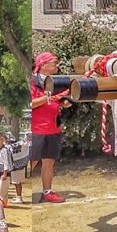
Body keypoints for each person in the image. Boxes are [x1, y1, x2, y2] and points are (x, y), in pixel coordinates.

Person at [31, 52, 70, 204]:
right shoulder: (32, 81)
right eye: (53, 63)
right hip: (37, 129)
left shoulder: (55, 81)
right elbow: (32, 103)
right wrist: (50, 98)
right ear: (43, 65)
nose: (57, 66)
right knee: (32, 160)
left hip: (53, 127)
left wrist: (64, 102)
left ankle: (47, 192)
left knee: (49, 162)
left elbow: (59, 101)